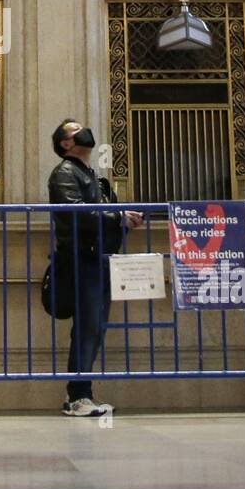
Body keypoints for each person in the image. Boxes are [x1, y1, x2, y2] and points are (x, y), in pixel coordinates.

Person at [48, 120, 142, 417]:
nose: (84, 131)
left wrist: (125, 217)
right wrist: (117, 218)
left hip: (98, 259)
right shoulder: (64, 173)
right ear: (65, 143)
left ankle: (80, 393)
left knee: (94, 328)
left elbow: (104, 212)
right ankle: (78, 396)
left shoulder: (93, 176)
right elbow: (77, 213)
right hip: (81, 259)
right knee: (88, 328)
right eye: (75, 129)